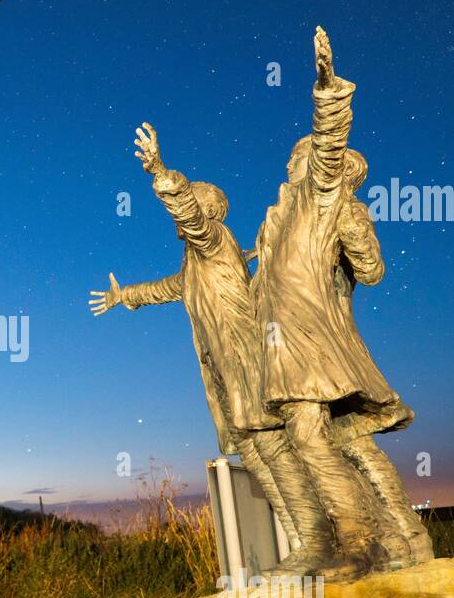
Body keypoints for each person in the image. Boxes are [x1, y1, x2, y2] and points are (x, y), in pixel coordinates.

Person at [90, 123, 333, 568]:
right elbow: (169, 287)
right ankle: (304, 545)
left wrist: (161, 172)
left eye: (196, 200)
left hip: (245, 362)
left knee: (273, 448)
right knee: (256, 454)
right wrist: (124, 295)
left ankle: (318, 542)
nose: (188, 218)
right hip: (223, 369)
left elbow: (189, 218)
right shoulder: (196, 262)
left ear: (209, 208)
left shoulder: (214, 241)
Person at [251, 28, 431, 572]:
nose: (290, 166)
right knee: (349, 440)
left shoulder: (323, 200)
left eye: (296, 158)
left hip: (317, 342)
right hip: (290, 344)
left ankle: (360, 543)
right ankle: (406, 539)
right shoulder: (278, 219)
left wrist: (327, 94)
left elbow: (372, 271)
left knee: (311, 434)